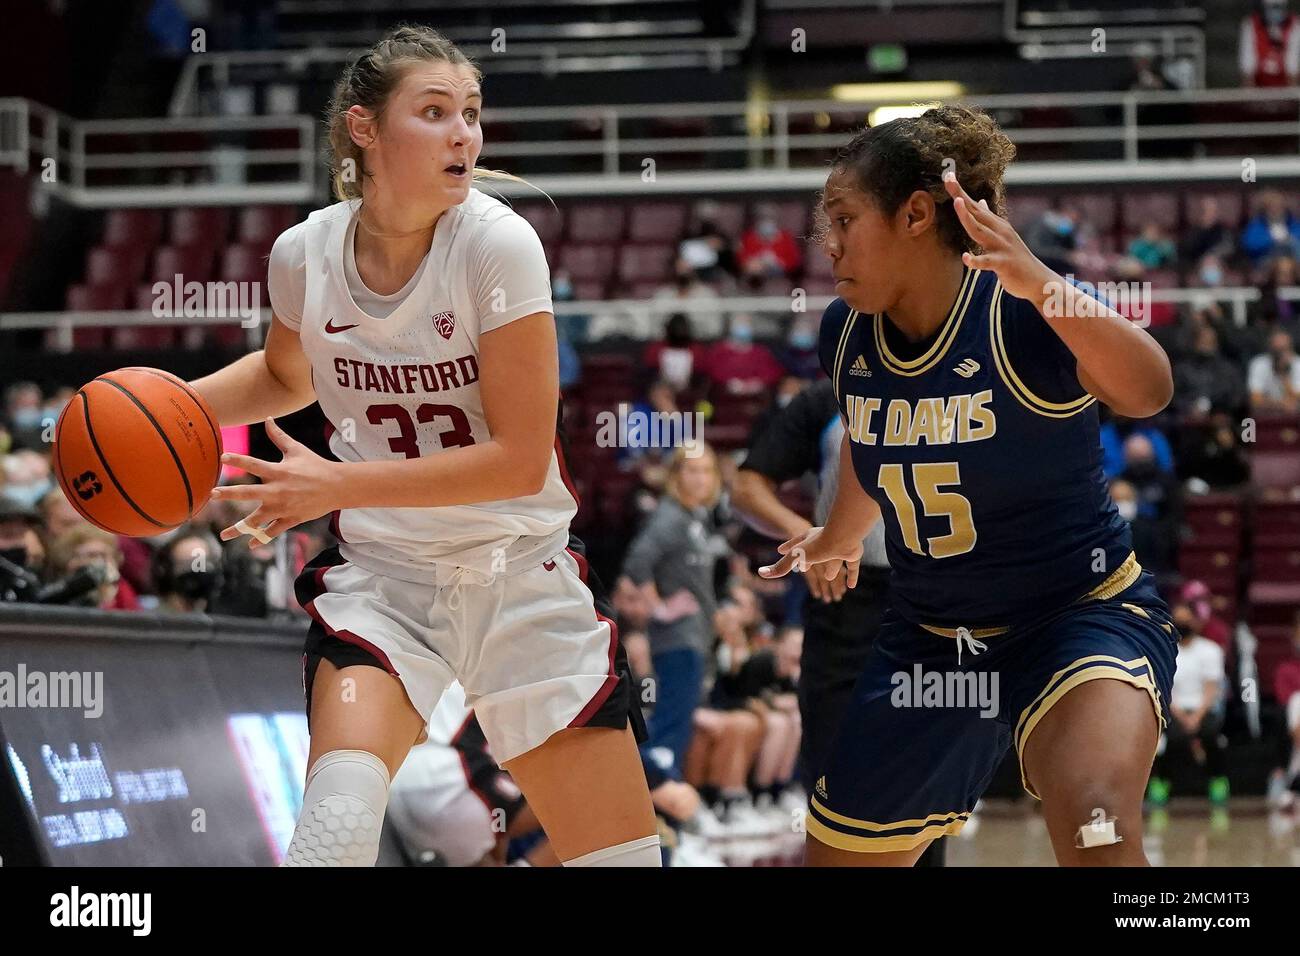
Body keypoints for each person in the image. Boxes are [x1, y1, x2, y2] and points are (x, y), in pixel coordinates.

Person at [189, 26, 657, 867]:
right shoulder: (304, 253)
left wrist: (335, 485)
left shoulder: (496, 243)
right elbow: (287, 374)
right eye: (435, 112)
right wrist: (165, 407)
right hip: (386, 583)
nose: (464, 135)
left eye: (471, 114)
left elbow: (518, 459)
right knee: (330, 836)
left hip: (519, 573)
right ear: (364, 129)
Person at [758, 105, 1178, 866]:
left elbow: (1149, 389)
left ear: (915, 214)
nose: (830, 245)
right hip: (932, 638)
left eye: (844, 219)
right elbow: (871, 430)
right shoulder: (846, 332)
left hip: (1074, 615)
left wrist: (1044, 284)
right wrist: (842, 532)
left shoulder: (1023, 312)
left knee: (1097, 825)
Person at [732, 376, 949, 866]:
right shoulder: (825, 398)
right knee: (833, 764)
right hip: (844, 591)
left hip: (936, 595)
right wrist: (811, 539)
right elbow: (746, 486)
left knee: (927, 770)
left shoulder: (961, 381)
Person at [617, 444, 727, 781]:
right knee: (669, 727)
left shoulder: (697, 518)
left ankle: (670, 814)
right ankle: (661, 816)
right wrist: (660, 609)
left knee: (679, 727)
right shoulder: (671, 516)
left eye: (707, 470)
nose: (700, 479)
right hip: (677, 639)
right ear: (675, 476)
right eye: (692, 470)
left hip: (694, 638)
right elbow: (637, 563)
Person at [1148, 603, 1229, 807]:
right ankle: (1162, 781)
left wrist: (1196, 717)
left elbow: (1212, 689)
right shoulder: (1165, 651)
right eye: (1178, 620)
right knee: (1171, 740)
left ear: (1196, 622)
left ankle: (1217, 780)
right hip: (1174, 709)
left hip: (1204, 709)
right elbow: (1164, 689)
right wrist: (1182, 717)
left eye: (1186, 620)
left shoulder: (1211, 650)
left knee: (1211, 735)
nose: (1181, 624)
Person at [1248, 328, 1300, 412]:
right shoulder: (1259, 364)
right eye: (1277, 351)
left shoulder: (1298, 364)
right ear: (1270, 349)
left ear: (1291, 348)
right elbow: (1255, 400)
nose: (1281, 355)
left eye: (1285, 349)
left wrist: (1284, 375)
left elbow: (1297, 400)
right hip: (1267, 414)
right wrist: (1281, 404)